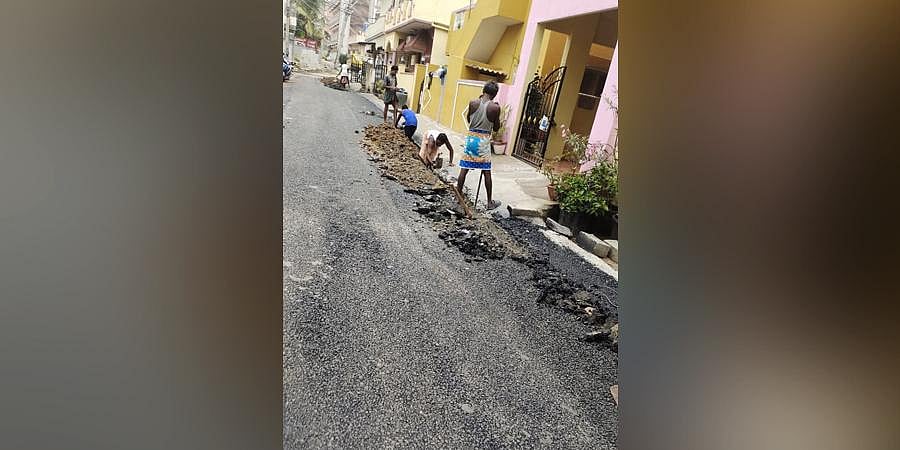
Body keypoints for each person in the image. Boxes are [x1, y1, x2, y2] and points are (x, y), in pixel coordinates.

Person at [457, 81, 502, 210]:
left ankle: (458, 196)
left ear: (483, 90)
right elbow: (496, 128)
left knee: (464, 168)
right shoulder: (495, 107)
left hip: (471, 139)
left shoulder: (473, 102)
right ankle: (489, 202)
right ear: (494, 94)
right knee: (486, 171)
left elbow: (469, 119)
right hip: (483, 141)